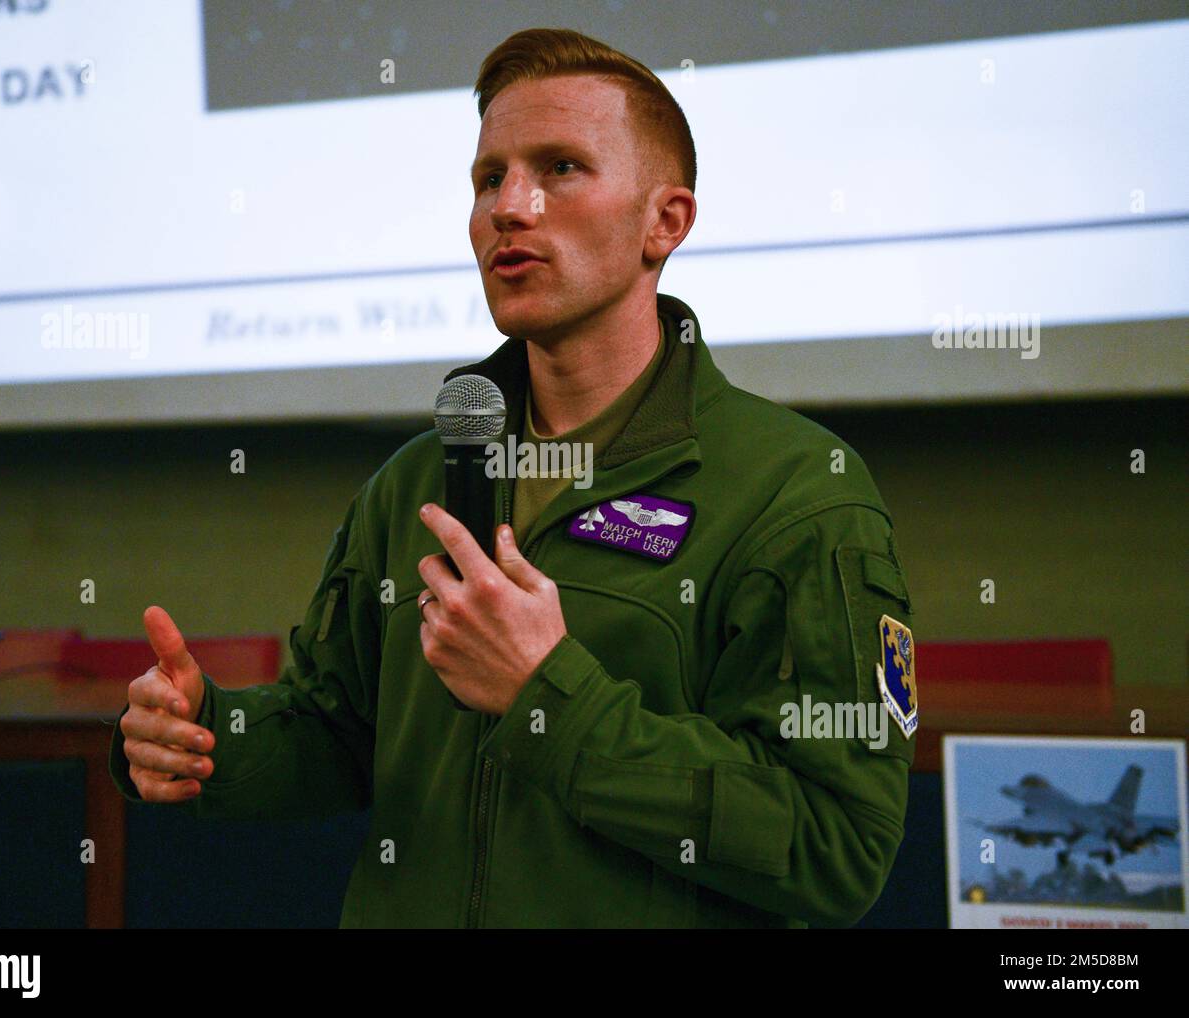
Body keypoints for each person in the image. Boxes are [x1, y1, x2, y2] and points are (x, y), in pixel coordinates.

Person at [109, 27, 917, 928]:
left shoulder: (795, 491)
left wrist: (550, 695)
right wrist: (206, 737)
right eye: (489, 178)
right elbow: (338, 736)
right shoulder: (417, 477)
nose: (510, 207)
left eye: (561, 168)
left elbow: (837, 848)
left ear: (667, 222)